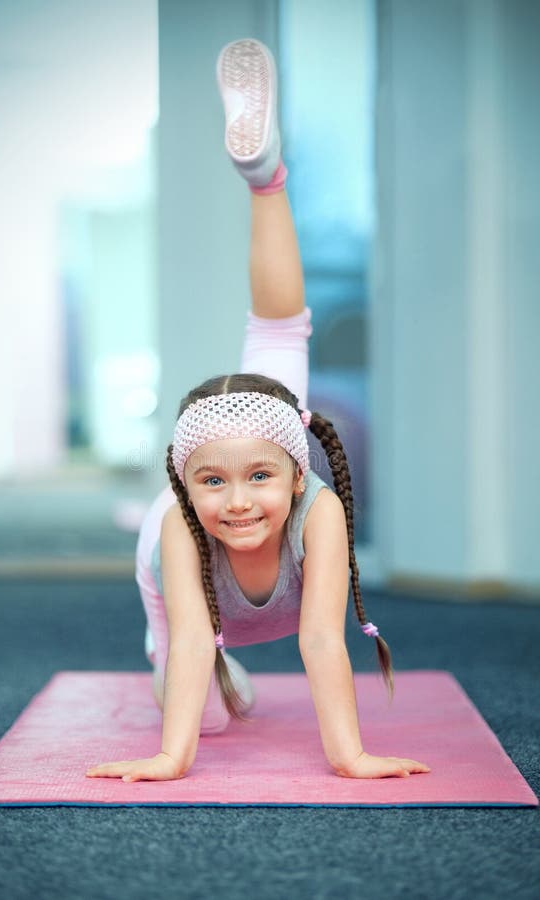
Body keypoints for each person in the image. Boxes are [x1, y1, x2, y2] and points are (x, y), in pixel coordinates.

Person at [86, 38, 430, 784]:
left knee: (277, 338)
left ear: (299, 474)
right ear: (185, 485)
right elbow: (191, 639)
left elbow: (322, 640)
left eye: (260, 479)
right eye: (211, 482)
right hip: (180, 599)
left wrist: (350, 756)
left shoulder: (316, 508)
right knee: (212, 712)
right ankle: (179, 665)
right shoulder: (180, 523)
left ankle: (264, 176)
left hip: (270, 435)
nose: (238, 503)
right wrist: (170, 757)